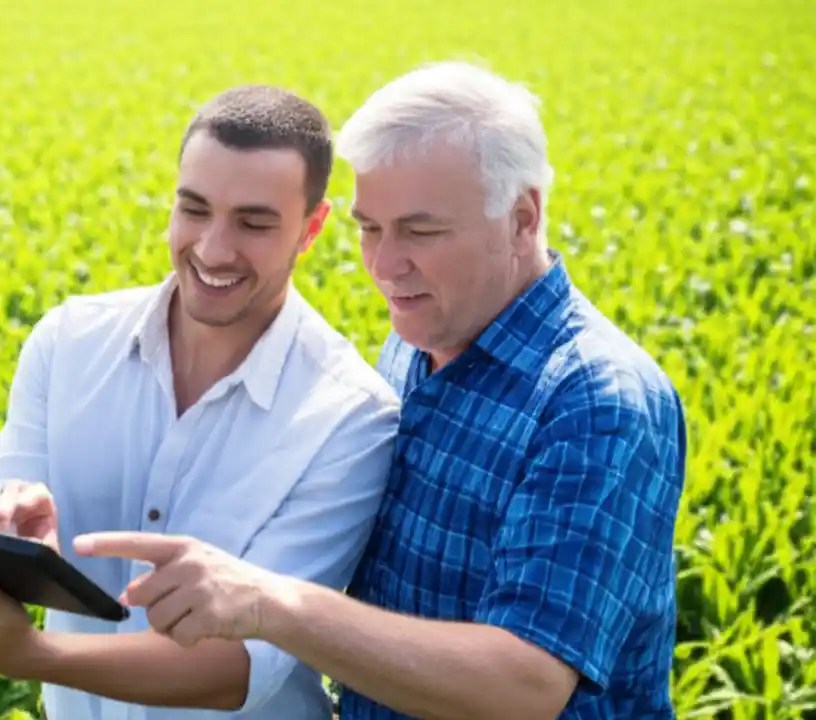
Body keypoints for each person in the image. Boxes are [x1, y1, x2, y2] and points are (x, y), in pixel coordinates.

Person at [77, 60, 688, 719]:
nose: (384, 266)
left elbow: (523, 685)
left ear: (522, 216)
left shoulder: (597, 402)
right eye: (369, 228)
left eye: (421, 232)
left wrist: (269, 602)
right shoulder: (418, 339)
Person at [0, 85, 402, 719]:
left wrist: (32, 656)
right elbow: (9, 523)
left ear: (311, 229)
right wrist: (10, 536)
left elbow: (243, 668)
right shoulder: (68, 343)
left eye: (254, 223)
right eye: (195, 209)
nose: (212, 249)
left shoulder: (349, 415)